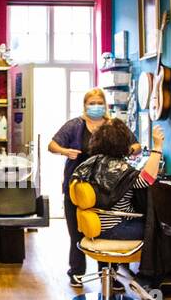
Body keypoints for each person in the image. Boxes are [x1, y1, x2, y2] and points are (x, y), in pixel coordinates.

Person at [50, 89, 141, 288]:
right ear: (85, 105)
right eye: (91, 103)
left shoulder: (113, 126)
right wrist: (67, 152)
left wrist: (125, 150)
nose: (95, 106)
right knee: (77, 231)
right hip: (79, 185)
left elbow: (136, 146)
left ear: (105, 104)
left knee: (105, 229)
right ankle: (76, 271)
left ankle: (108, 274)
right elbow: (52, 145)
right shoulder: (74, 125)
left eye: (99, 102)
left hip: (108, 188)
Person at [72, 120, 164, 240]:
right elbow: (147, 179)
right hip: (117, 226)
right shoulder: (118, 167)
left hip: (97, 226)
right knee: (161, 231)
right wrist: (157, 147)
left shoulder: (91, 163)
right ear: (124, 142)